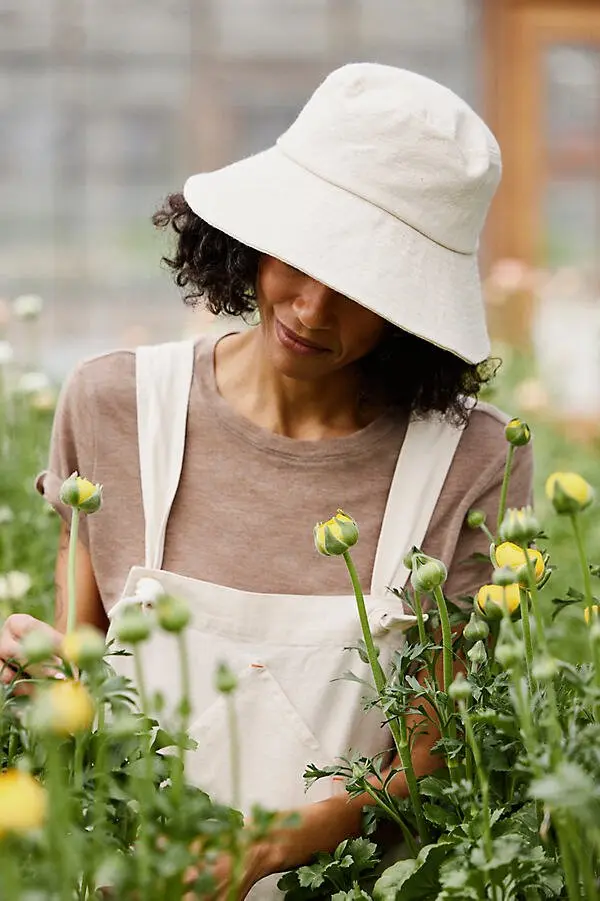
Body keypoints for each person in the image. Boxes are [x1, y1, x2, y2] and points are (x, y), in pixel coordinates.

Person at [0, 64, 532, 898]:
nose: (313, 310)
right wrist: (37, 672)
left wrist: (275, 842)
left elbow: (432, 753)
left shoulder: (468, 462)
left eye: (362, 287)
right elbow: (82, 661)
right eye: (304, 258)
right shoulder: (117, 405)